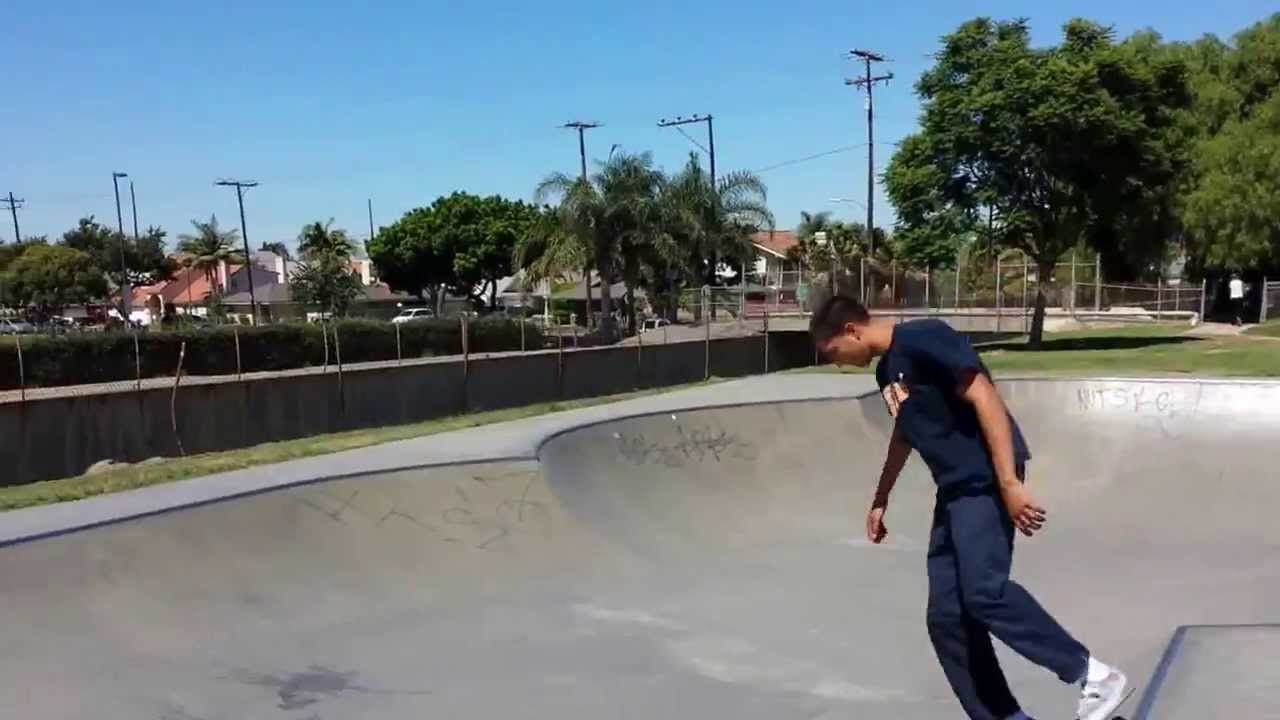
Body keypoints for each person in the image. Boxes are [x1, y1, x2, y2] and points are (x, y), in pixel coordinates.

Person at [809, 294, 1127, 720]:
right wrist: (881, 497)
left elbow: (985, 397)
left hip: (986, 481)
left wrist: (1010, 482)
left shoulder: (924, 337)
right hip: (954, 493)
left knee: (984, 592)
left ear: (851, 331)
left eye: (832, 353)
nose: (835, 362)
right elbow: (905, 434)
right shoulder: (888, 372)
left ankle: (1092, 674)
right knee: (946, 619)